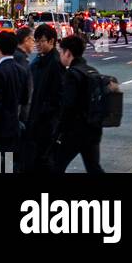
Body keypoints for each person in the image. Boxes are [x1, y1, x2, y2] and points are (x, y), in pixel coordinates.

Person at [51, 35, 105, 174]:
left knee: (56, 166)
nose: (60, 56)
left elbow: (68, 106)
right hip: (93, 129)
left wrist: (58, 132)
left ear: (68, 53)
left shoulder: (72, 74)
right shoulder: (92, 71)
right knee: (94, 167)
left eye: (61, 52)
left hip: (74, 132)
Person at [24, 24, 65, 174]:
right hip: (35, 120)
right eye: (36, 41)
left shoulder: (55, 63)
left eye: (42, 41)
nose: (38, 45)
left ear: (51, 41)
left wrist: (43, 114)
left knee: (45, 161)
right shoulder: (38, 61)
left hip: (46, 124)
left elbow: (58, 97)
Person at [0, 30, 30, 155]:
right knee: (11, 162)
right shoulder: (22, 70)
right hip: (15, 126)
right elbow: (25, 99)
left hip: (1, 128)